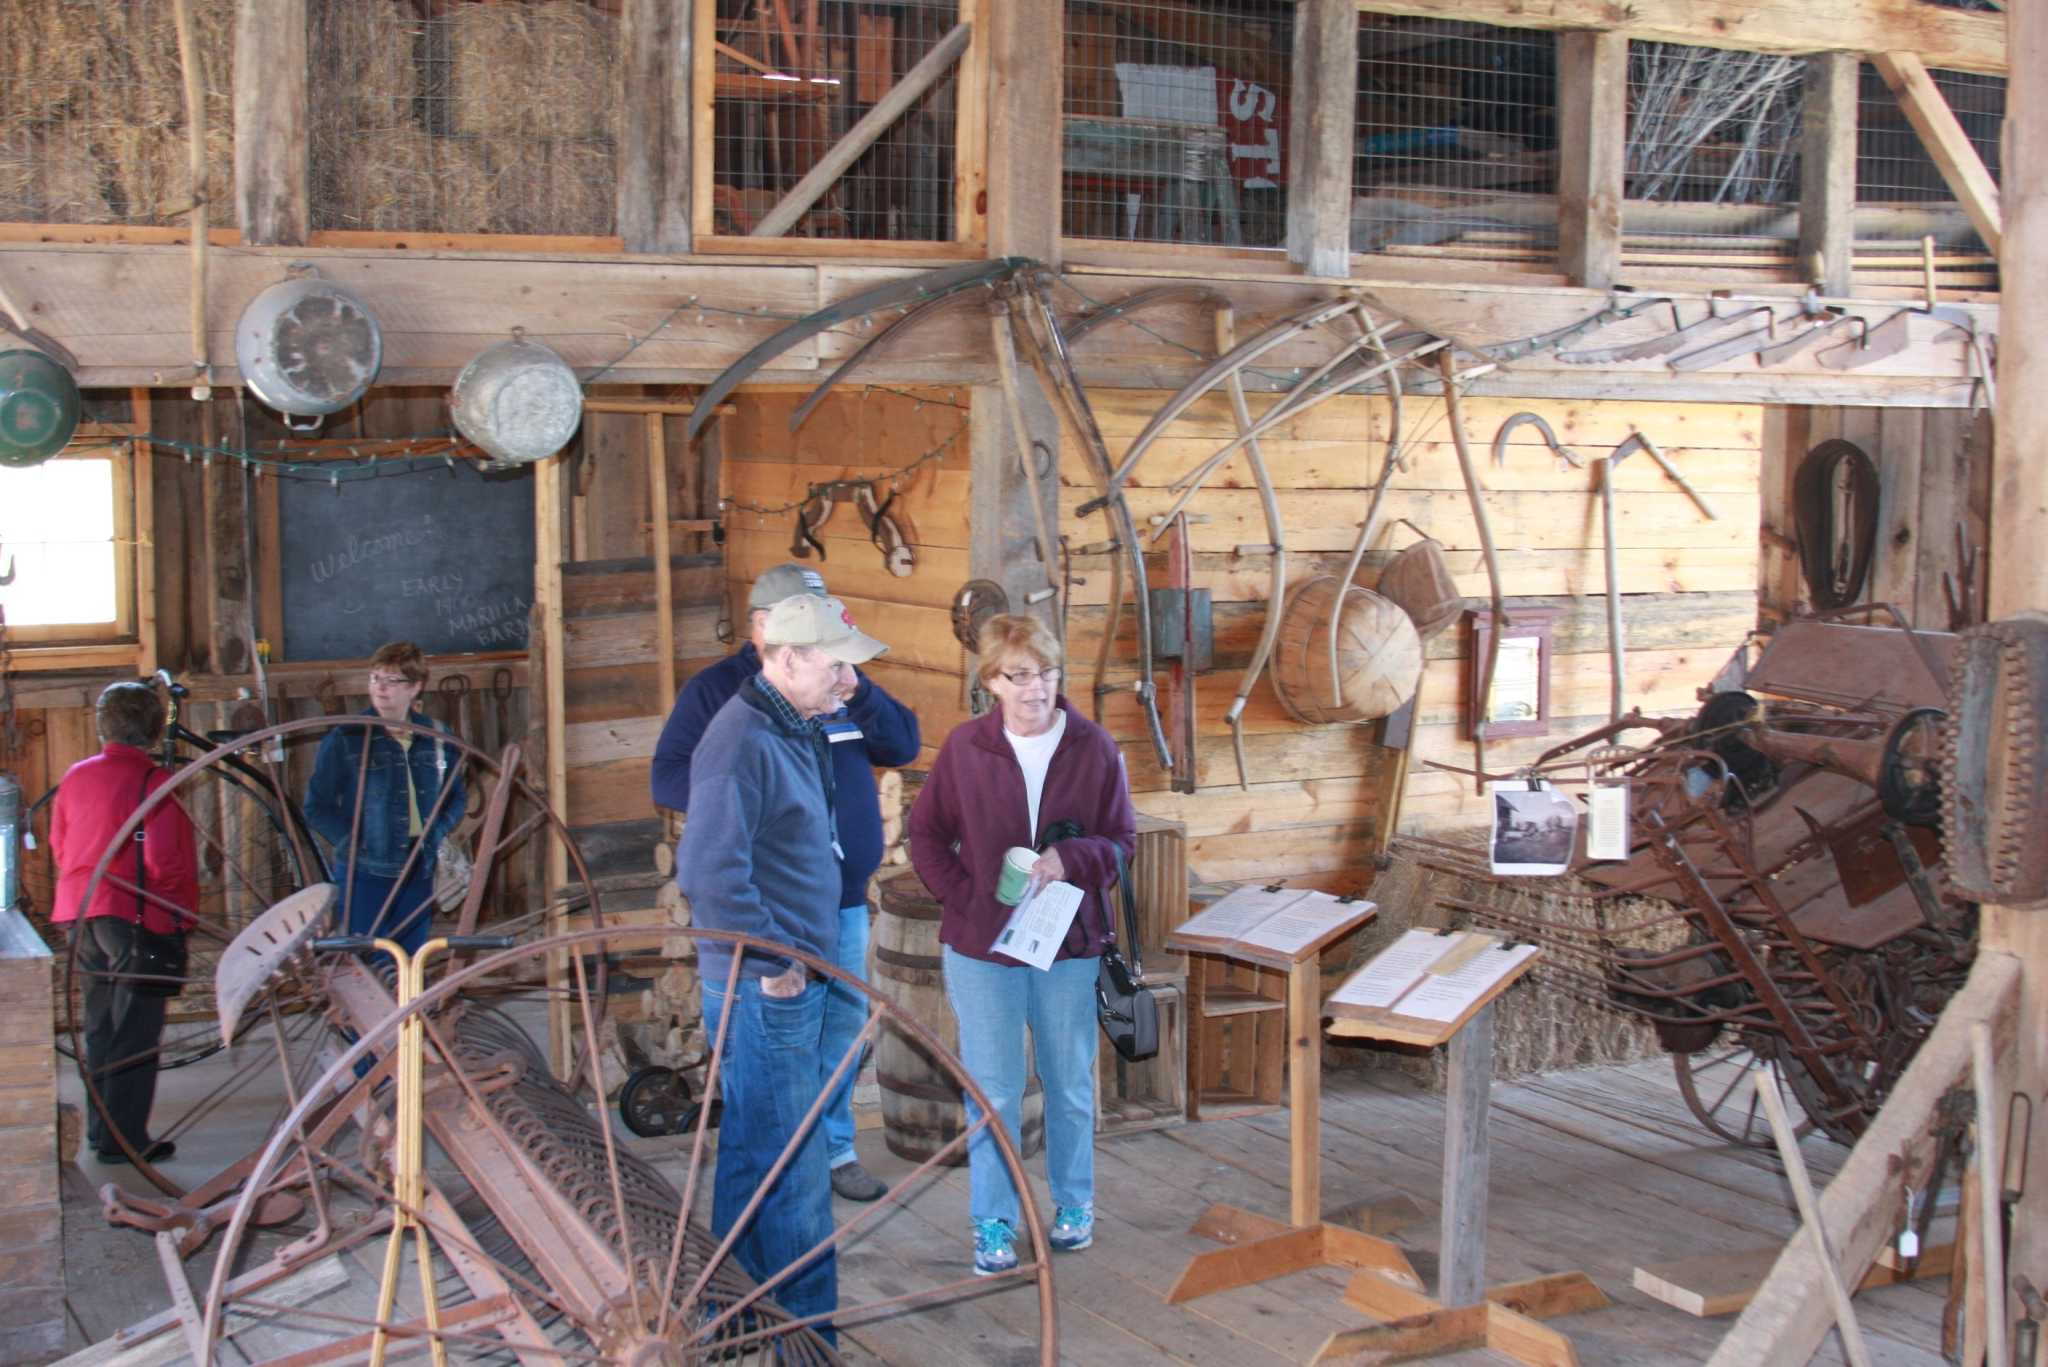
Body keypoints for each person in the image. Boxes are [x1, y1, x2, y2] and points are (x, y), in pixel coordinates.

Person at [652, 561, 918, 1203]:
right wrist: (750, 812)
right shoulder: (724, 697)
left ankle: (832, 1151)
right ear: (769, 628)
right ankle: (783, 1176)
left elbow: (904, 744)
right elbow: (671, 777)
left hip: (842, 900)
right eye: (809, 616)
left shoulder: (836, 682)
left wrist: (859, 691)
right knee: (774, 1061)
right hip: (770, 917)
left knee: (835, 1037)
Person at [676, 593, 891, 1344]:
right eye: (836, 665)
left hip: (783, 971)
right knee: (796, 1174)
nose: (847, 681)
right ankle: (809, 1343)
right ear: (787, 657)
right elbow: (708, 874)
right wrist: (774, 961)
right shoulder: (739, 742)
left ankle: (726, 1313)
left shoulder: (792, 724)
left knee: (753, 1152)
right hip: (765, 985)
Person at [907, 614, 1135, 1277]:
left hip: (1068, 944)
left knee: (1068, 1081)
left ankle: (1074, 1203)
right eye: (1021, 674)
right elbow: (925, 834)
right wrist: (963, 897)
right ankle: (994, 1222)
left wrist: (1069, 857)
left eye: (1048, 672)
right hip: (982, 950)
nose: (1038, 688)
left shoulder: (1093, 748)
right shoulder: (965, 749)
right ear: (991, 681)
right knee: (995, 1090)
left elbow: (1121, 844)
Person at [50, 680, 199, 1164]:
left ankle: (100, 1130)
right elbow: (165, 862)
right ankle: (126, 1140)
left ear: (103, 725)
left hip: (80, 914)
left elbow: (59, 843)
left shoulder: (75, 775)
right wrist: (179, 915)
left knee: (100, 1027)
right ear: (155, 729)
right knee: (136, 1033)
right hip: (133, 917)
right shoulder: (154, 783)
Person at [303, 642, 466, 955]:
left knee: (410, 960)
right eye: (375, 678)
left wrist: (435, 831)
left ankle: (408, 1006)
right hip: (365, 873)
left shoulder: (436, 737)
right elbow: (316, 806)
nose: (381, 688)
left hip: (419, 868)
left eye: (392, 681)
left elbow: (456, 796)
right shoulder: (347, 737)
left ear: (416, 687)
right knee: (367, 962)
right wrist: (353, 842)